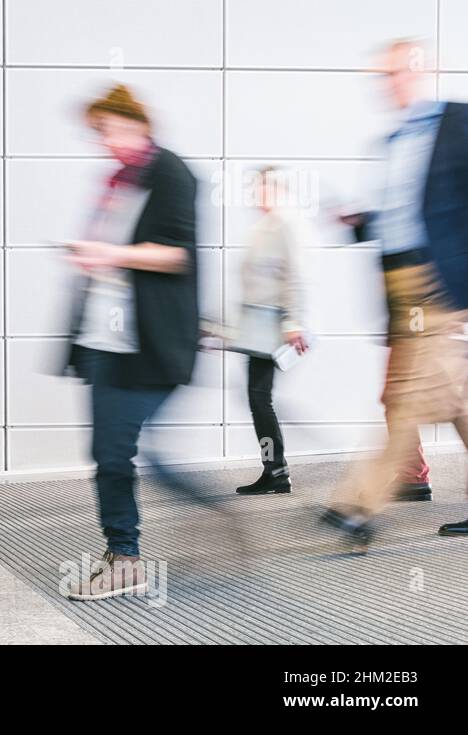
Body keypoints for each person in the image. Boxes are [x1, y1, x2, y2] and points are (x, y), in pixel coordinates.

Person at [324, 40, 468, 547]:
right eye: (383, 77)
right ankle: (364, 503)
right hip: (401, 283)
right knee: (456, 398)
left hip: (440, 281)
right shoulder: (390, 143)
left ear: (422, 70)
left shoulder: (459, 123)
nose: (389, 84)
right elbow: (398, 217)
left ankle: (360, 506)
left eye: (396, 73)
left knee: (403, 397)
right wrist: (360, 222)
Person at [60, 85, 200, 600]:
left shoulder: (170, 172)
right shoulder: (117, 182)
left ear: (139, 123)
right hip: (104, 338)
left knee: (125, 453)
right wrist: (93, 255)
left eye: (111, 128)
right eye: (98, 132)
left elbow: (176, 254)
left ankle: (137, 553)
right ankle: (122, 553)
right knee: (106, 453)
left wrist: (108, 253)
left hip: (148, 342)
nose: (104, 140)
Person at [233, 167, 311, 495]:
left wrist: (292, 322)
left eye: (262, 189)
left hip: (273, 329)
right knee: (257, 399)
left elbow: (295, 276)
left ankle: (276, 470)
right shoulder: (262, 227)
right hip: (256, 329)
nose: (256, 195)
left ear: (279, 189)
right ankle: (273, 468)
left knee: (259, 399)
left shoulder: (287, 225)